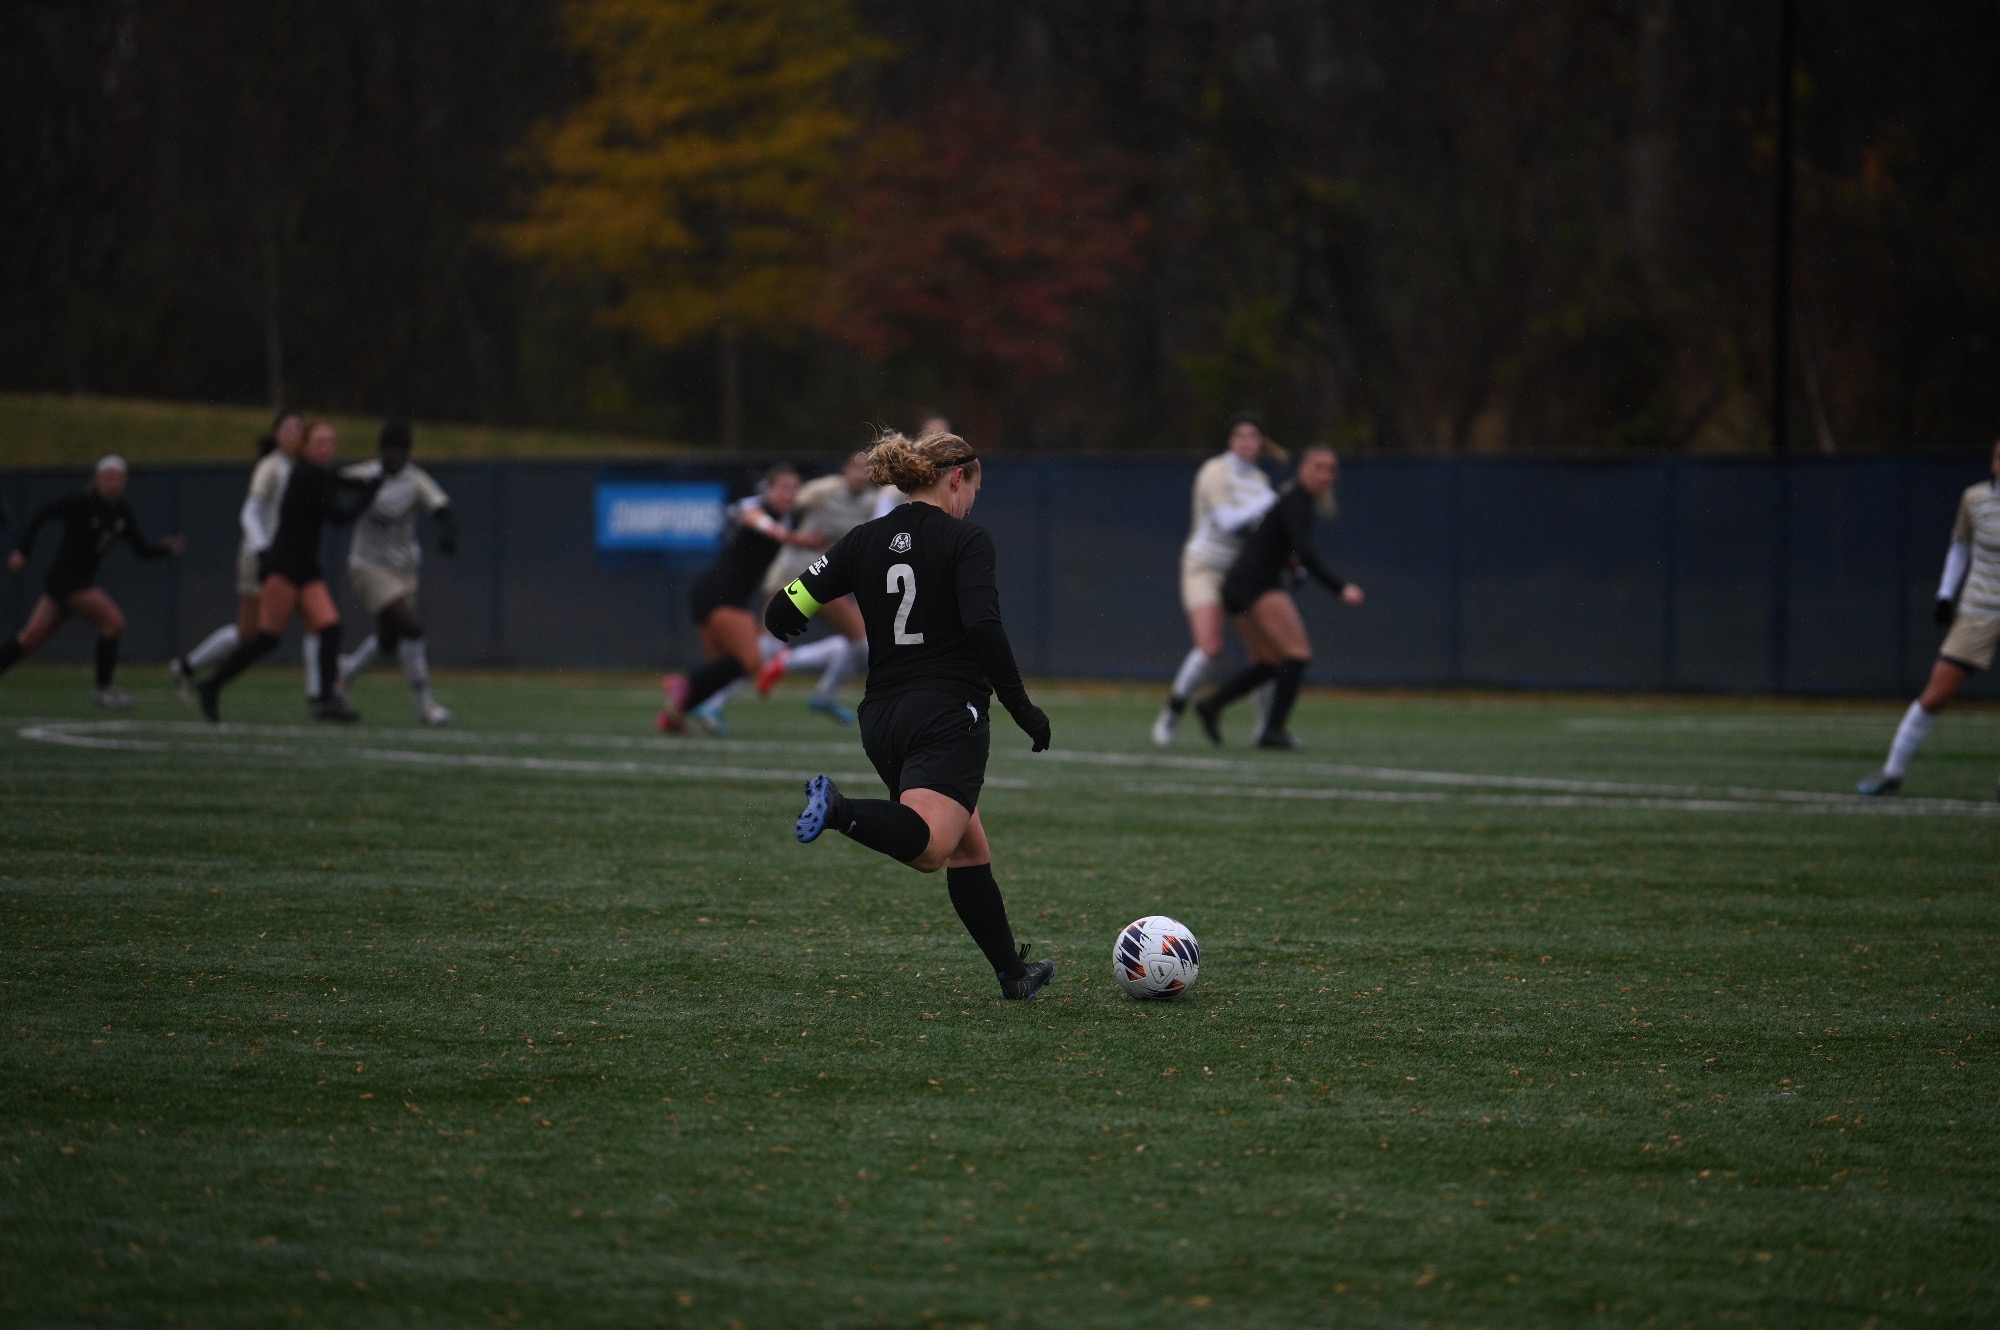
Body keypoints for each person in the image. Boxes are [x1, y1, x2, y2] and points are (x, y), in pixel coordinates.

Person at [770, 428, 1056, 1002]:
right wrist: (1022, 707)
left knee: (968, 846)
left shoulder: (864, 540)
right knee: (930, 848)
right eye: (975, 487)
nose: (974, 500)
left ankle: (1011, 973)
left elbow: (787, 604)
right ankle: (839, 809)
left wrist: (786, 618)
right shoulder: (967, 539)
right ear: (957, 478)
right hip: (948, 712)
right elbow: (983, 628)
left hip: (883, 719)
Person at [196, 420, 381, 723]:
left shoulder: (319, 474)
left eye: (330, 442)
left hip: (305, 567)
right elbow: (339, 515)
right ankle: (211, 685)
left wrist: (369, 481)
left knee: (330, 628)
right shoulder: (306, 475)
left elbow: (338, 481)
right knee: (267, 637)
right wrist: (369, 491)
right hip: (285, 566)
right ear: (305, 447)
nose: (326, 448)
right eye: (319, 442)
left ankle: (324, 699)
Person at [1193, 444, 1364, 750]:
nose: (1325, 475)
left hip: (1239, 585)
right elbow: (1303, 550)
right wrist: (1339, 588)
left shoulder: (1296, 501)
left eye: (1331, 469)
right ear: (1303, 469)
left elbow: (1285, 547)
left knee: (1271, 662)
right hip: (1253, 584)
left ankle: (1212, 704)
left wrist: (1294, 567)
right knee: (1296, 655)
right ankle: (1273, 731)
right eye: (1318, 467)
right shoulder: (1295, 500)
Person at [1859, 437, 2000, 797]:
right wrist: (1944, 594)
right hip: (1979, 611)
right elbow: (1960, 546)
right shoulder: (1975, 499)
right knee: (1936, 694)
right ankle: (1892, 772)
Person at [1, 456, 183, 706]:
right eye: (109, 478)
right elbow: (42, 514)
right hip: (67, 582)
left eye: (119, 478)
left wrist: (164, 550)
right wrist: (23, 550)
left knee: (29, 638)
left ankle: (103, 688)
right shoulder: (81, 503)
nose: (114, 484)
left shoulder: (121, 512)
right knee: (114, 622)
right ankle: (104, 689)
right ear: (96, 479)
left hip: (72, 583)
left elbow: (140, 550)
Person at [656, 465, 825, 731]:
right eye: (782, 487)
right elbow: (751, 517)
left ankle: (674, 714)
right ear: (767, 490)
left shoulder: (787, 519)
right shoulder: (759, 510)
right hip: (722, 593)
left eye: (794, 489)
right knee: (751, 662)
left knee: (726, 666)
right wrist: (794, 538)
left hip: (713, 593)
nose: (789, 494)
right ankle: (684, 684)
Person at [1153, 414, 1285, 747]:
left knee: (1265, 655)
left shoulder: (1259, 481)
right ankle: (1174, 710)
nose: (1246, 441)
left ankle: (1265, 729)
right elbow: (1229, 522)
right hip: (1205, 567)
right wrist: (1273, 502)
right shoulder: (1215, 471)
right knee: (1211, 648)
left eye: (1253, 435)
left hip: (1241, 573)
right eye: (1239, 435)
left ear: (1260, 442)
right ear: (1230, 441)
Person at [171, 410, 312, 702]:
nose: (293, 435)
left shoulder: (301, 467)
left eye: (298, 429)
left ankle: (187, 667)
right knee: (252, 631)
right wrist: (263, 550)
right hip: (262, 558)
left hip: (286, 559)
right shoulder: (271, 466)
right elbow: (249, 511)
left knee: (310, 622)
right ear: (276, 435)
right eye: (287, 429)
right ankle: (320, 695)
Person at [740, 449, 881, 725]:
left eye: (867, 468)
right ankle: (711, 697)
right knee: (768, 641)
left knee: (860, 644)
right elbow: (779, 504)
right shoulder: (823, 490)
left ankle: (809, 683)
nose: (861, 474)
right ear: (844, 469)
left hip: (824, 576)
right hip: (796, 573)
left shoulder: (871, 502)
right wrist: (779, 530)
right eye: (856, 467)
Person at [332, 421, 459, 725]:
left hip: (404, 568)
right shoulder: (366, 475)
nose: (394, 457)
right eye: (390, 450)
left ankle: (345, 675)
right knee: (412, 628)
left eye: (400, 451)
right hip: (368, 566)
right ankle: (424, 708)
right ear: (381, 451)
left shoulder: (415, 481)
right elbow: (331, 486)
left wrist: (448, 532)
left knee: (389, 641)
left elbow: (443, 509)